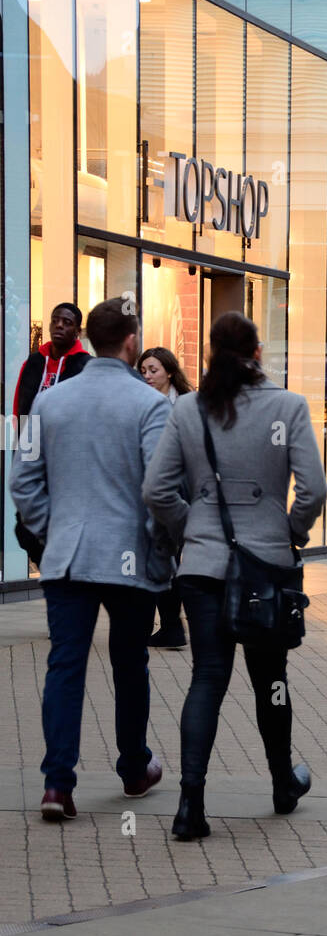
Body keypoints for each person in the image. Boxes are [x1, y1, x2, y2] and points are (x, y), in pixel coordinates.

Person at [143, 311, 327, 842]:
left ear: (209, 354)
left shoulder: (186, 410)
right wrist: (287, 532)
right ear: (258, 352)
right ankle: (281, 782)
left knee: (207, 679)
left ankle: (190, 804)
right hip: (265, 568)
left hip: (202, 569)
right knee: (270, 680)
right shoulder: (288, 407)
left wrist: (192, 530)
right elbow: (313, 490)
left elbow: (157, 490)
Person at [10, 297, 172, 822]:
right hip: (130, 556)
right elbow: (160, 489)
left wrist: (52, 531)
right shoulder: (151, 405)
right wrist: (158, 548)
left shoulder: (49, 402)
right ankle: (133, 768)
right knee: (130, 663)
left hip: (68, 556)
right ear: (130, 343)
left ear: (90, 339)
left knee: (65, 665)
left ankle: (57, 785)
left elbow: (22, 481)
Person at [138, 348, 194, 649]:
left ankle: (172, 626)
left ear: (169, 372)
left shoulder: (185, 404)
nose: (147, 375)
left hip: (180, 491)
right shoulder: (142, 403)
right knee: (163, 555)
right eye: (143, 370)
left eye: (153, 369)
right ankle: (170, 626)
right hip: (154, 490)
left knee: (166, 555)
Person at [12, 302, 90, 420]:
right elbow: (19, 404)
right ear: (49, 326)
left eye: (67, 323)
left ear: (78, 331)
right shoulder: (33, 361)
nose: (59, 325)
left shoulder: (86, 366)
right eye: (54, 321)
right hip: (32, 435)